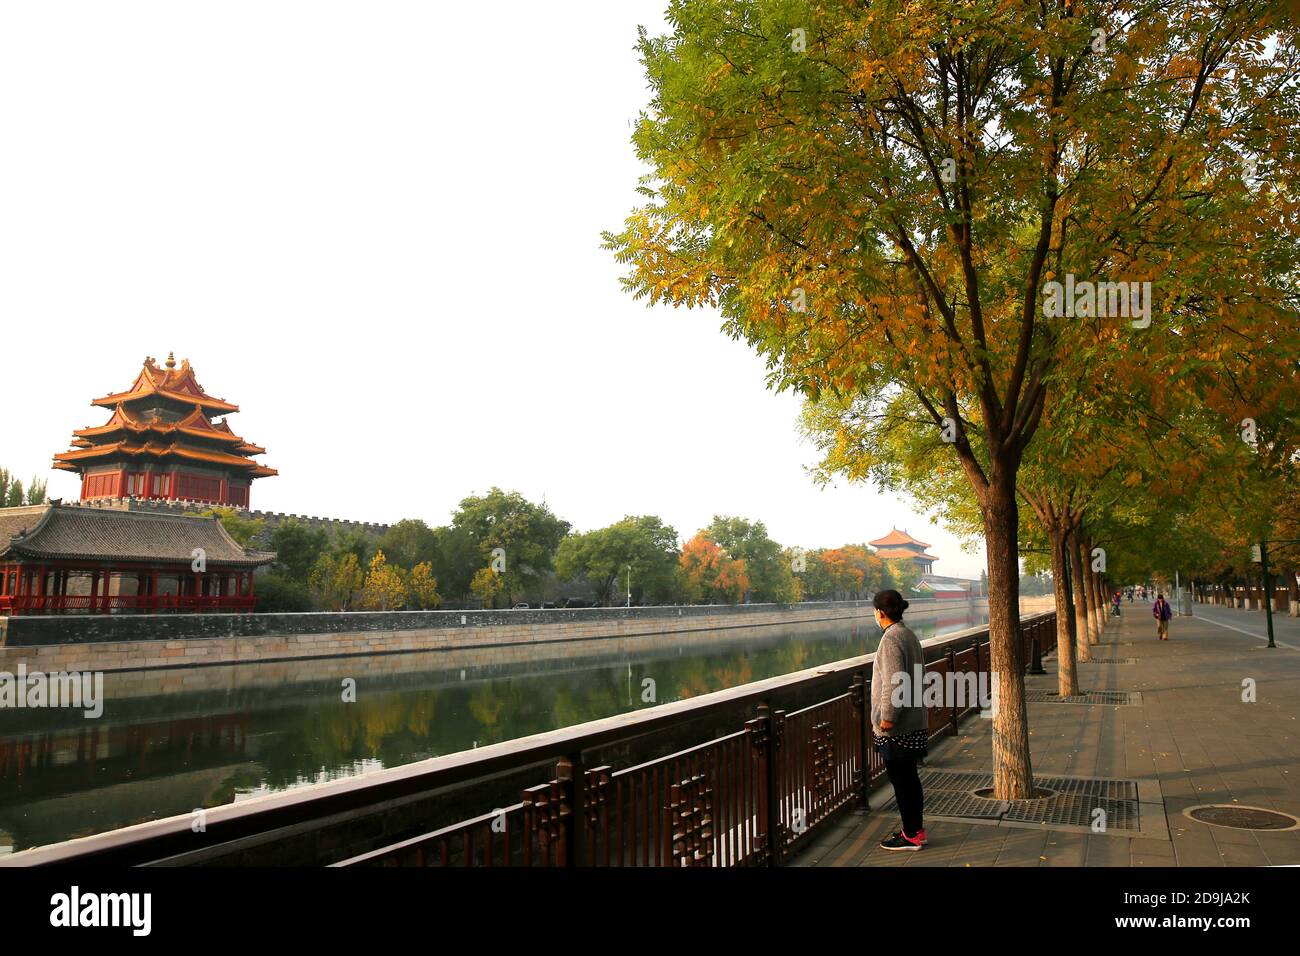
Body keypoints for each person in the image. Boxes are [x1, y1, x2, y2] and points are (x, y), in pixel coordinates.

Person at [870, 589, 928, 851]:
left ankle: (911, 835)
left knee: (903, 782)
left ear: (880, 612)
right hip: (913, 720)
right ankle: (915, 830)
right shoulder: (907, 634)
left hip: (899, 727)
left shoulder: (891, 638)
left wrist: (888, 718)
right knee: (909, 780)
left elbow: (894, 681)